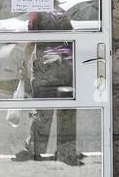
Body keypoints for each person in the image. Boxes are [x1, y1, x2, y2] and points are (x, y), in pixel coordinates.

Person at [14, 9, 81, 166]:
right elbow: (71, 39)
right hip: (63, 68)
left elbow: (31, 41)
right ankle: (66, 151)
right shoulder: (63, 15)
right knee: (66, 112)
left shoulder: (36, 15)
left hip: (44, 69)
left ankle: (36, 149)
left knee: (42, 113)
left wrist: (23, 64)